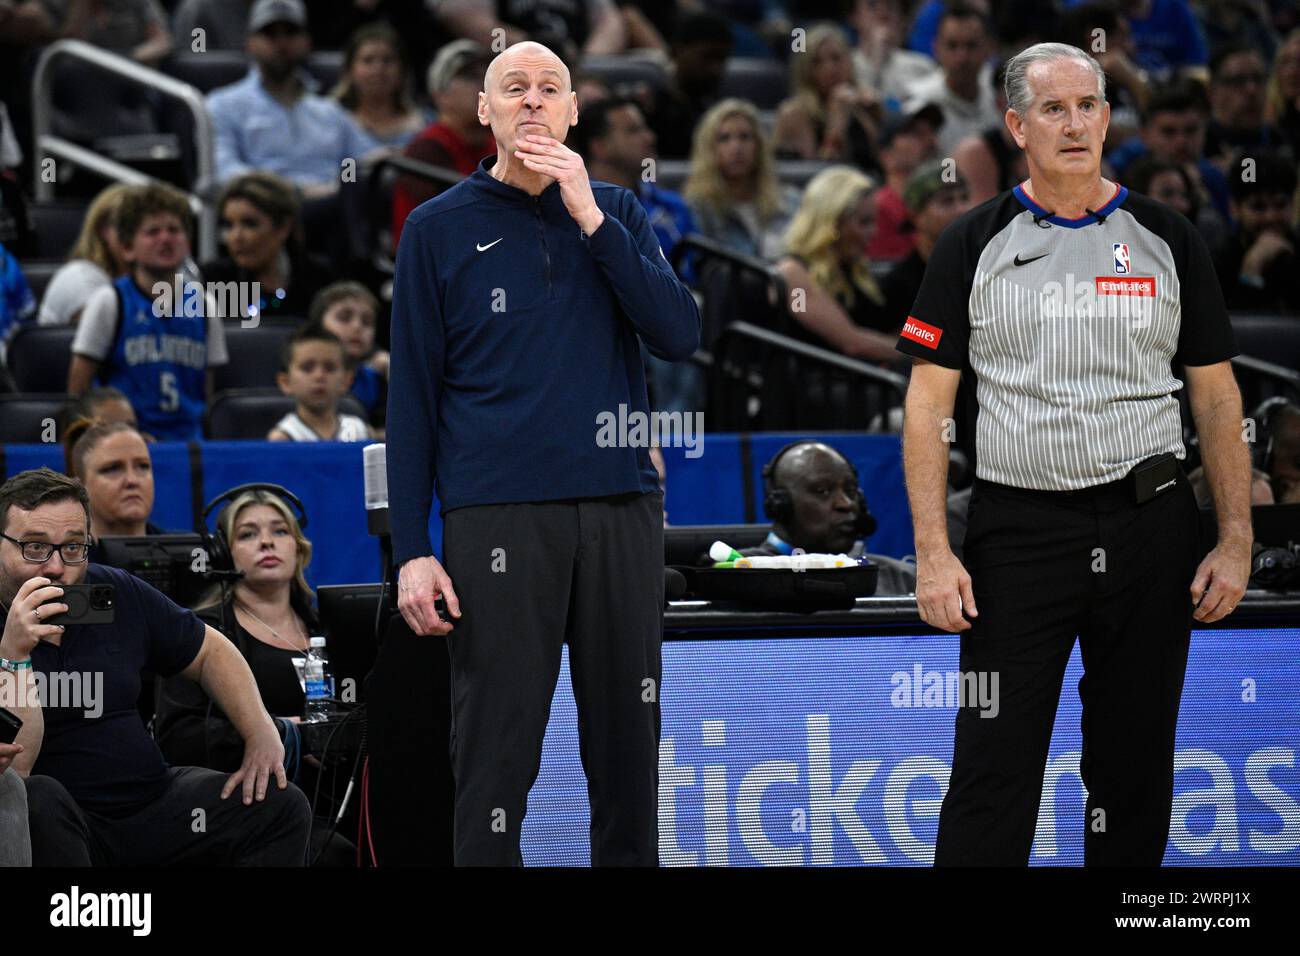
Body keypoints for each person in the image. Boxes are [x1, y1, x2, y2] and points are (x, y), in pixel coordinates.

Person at [896, 42, 1250, 866]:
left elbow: (1217, 397)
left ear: (1107, 118)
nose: (1075, 123)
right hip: (1018, 534)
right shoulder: (971, 242)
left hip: (1152, 527)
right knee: (992, 765)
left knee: (1134, 771)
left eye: (1088, 105)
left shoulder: (1169, 237)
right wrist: (933, 552)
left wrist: (1235, 537)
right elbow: (926, 405)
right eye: (1053, 109)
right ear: (1017, 126)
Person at [387, 40, 699, 866]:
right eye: (514, 87)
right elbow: (411, 399)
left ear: (572, 112)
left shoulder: (617, 211)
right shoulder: (435, 228)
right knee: (497, 748)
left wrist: (590, 217)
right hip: (498, 515)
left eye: (550, 88)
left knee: (628, 749)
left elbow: (678, 333)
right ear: (483, 110)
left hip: (620, 506)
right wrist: (412, 549)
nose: (532, 100)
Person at [0, 467, 312, 865]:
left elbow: (209, 650)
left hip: (151, 802)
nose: (56, 567)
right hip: (63, 820)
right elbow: (18, 773)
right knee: (37, 799)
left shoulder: (107, 593)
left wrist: (261, 730)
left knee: (280, 806)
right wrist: (14, 654)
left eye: (74, 547)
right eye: (35, 547)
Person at [154, 486, 356, 864]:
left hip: (334, 798)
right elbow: (179, 735)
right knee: (333, 855)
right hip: (244, 802)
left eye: (280, 530)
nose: (266, 541)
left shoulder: (332, 628)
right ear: (223, 553)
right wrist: (283, 732)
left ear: (299, 548)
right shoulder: (202, 634)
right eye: (248, 534)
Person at [67, 183, 228, 442]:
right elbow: (78, 392)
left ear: (187, 243)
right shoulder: (109, 301)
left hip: (189, 445)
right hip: (124, 444)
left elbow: (207, 393)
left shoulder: (205, 304)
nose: (165, 238)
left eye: (174, 230)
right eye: (152, 232)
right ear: (127, 248)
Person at [206, 0, 378, 191]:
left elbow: (365, 161)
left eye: (290, 32)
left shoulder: (330, 111)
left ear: (307, 42)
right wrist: (293, 190)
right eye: (270, 33)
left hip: (330, 201)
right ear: (250, 43)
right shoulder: (223, 105)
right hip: (261, 201)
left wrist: (343, 184)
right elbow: (224, 170)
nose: (281, 42)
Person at [724, 440, 917, 595]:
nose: (846, 503)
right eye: (822, 491)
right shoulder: (738, 576)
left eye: (850, 491)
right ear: (781, 505)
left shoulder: (903, 579)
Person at [775, 166, 898, 362]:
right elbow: (852, 343)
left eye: (873, 222)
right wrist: (927, 354)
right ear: (832, 223)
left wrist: (933, 339)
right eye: (864, 222)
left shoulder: (857, 272)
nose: (873, 232)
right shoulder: (793, 274)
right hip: (820, 377)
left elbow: (894, 322)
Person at [572, 96, 697, 274]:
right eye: (633, 131)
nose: (650, 138)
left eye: (645, 128)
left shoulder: (674, 206)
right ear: (599, 147)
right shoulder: (572, 210)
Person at [391, 41, 496, 250]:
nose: (483, 86)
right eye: (470, 77)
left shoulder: (501, 144)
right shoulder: (427, 150)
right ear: (441, 94)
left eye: (487, 77)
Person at [202, 171, 333, 322]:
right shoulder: (212, 282)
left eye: (249, 224)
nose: (236, 237)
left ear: (283, 227)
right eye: (228, 225)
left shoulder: (319, 279)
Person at [683, 98, 800, 261]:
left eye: (745, 137)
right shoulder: (697, 209)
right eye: (724, 138)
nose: (736, 147)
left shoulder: (789, 201)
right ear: (709, 149)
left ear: (758, 146)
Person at [774, 22, 883, 169]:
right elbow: (811, 173)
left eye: (836, 58)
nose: (829, 68)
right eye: (817, 62)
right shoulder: (795, 114)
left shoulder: (860, 105)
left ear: (849, 61)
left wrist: (876, 116)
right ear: (806, 70)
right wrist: (837, 124)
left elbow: (880, 163)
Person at [881, 160, 972, 332]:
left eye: (964, 198)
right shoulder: (900, 286)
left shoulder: (984, 268)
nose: (961, 209)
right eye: (947, 201)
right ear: (916, 216)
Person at [903, 4, 1002, 157]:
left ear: (989, 48)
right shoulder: (919, 103)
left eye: (971, 46)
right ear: (936, 48)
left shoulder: (1002, 98)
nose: (962, 57)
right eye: (952, 46)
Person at [1211, 151, 1300, 313]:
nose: (1270, 217)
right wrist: (1251, 269)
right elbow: (1222, 324)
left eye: (1280, 205)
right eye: (1258, 206)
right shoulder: (1217, 259)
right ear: (1235, 208)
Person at [643, 12, 734, 159]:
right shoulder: (649, 111)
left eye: (721, 59)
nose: (715, 69)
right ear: (676, 51)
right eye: (707, 57)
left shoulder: (721, 111)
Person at [37, 182, 129, 327]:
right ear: (105, 231)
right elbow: (113, 337)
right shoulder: (81, 279)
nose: (163, 239)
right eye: (152, 232)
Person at [64, 419, 165, 541]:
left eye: (143, 466)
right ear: (80, 488)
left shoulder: (184, 549)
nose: (132, 480)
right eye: (112, 469)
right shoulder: (59, 552)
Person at [269, 323, 372, 442]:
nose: (319, 376)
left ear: (346, 381)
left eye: (329, 368)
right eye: (307, 368)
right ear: (285, 382)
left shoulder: (359, 431)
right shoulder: (283, 437)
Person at [331, 23, 426, 149]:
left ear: (403, 71)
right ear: (349, 71)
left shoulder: (425, 124)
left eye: (387, 60)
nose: (378, 70)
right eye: (368, 60)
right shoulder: (329, 122)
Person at [867, 106, 944, 262]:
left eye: (932, 132)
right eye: (915, 133)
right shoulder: (878, 209)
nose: (931, 140)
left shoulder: (951, 201)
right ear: (886, 155)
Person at [310, 280, 388, 432]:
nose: (357, 327)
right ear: (317, 326)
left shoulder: (375, 378)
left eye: (367, 322)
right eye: (344, 318)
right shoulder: (301, 373)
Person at [438, 0, 627, 62]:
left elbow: (610, 22)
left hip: (579, 63)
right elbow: (469, 21)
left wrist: (589, 60)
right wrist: (536, 48)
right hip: (513, 61)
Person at [1203, 43, 1290, 170]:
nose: (1251, 90)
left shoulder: (1284, 145)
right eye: (1238, 80)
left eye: (1258, 79)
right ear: (1212, 92)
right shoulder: (1197, 146)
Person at [850, 0, 942, 109]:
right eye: (872, 5)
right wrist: (877, 57)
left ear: (902, 19)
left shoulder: (922, 66)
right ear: (855, 17)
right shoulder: (846, 64)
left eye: (890, 6)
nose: (883, 14)